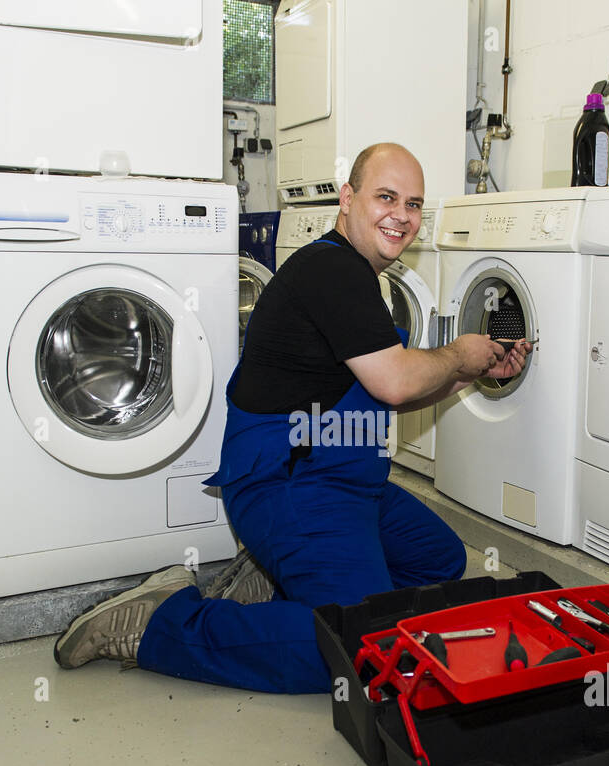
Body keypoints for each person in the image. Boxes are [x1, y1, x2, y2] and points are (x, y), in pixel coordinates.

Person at [53, 143, 531, 692]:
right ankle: (157, 623)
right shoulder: (333, 271)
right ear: (347, 199)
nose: (402, 214)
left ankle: (282, 587)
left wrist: (470, 370)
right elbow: (395, 380)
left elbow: (389, 394)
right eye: (386, 197)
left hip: (346, 482)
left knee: (439, 560)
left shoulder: (357, 276)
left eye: (415, 203)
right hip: (289, 483)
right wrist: (462, 354)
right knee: (361, 646)